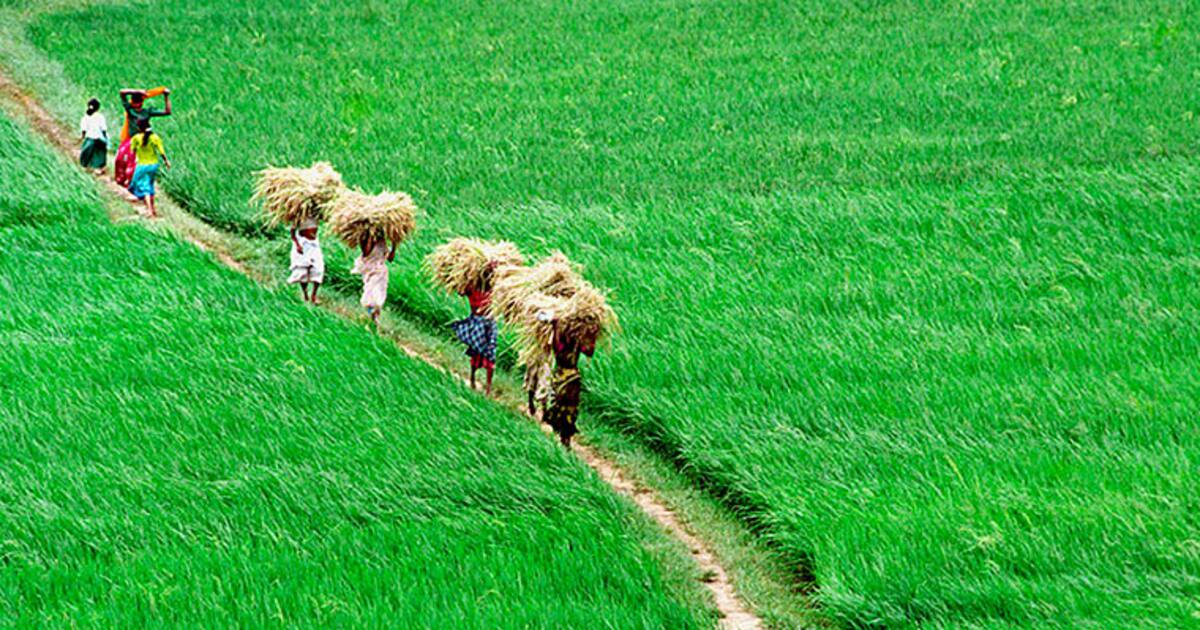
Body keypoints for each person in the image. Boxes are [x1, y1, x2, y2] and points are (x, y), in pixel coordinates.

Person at [541, 315, 598, 447]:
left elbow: (589, 352)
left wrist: (591, 336)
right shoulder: (567, 342)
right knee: (564, 408)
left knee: (567, 408)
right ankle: (564, 435)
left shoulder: (573, 342)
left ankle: (565, 437)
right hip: (567, 377)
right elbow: (588, 352)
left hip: (567, 378)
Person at [450, 262, 499, 396]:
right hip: (477, 323)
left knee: (490, 355)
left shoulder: (493, 290)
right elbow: (460, 291)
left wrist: (494, 267)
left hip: (490, 324)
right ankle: (472, 378)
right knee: (476, 352)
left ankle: (488, 387)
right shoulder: (472, 288)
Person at [116, 88, 170, 187]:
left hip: (143, 140)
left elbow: (167, 112)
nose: (137, 105)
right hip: (131, 139)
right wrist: (138, 91)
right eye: (135, 103)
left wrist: (166, 97)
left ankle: (134, 182)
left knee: (137, 162)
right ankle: (123, 179)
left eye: (139, 102)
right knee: (121, 159)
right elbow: (122, 92)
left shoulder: (147, 112)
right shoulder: (130, 109)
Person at [127, 119, 170, 217]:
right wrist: (166, 161)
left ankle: (149, 210)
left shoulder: (136, 138)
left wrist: (130, 163)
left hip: (142, 165)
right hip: (154, 165)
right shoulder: (155, 137)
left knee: (140, 185)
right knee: (150, 184)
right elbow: (161, 151)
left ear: (139, 128)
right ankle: (153, 208)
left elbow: (132, 152)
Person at [351, 234, 396, 326]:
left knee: (379, 295)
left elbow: (390, 259)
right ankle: (371, 316)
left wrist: (394, 245)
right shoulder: (364, 238)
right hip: (370, 270)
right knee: (371, 294)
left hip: (381, 272)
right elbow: (366, 252)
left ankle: (374, 318)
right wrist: (371, 237)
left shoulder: (383, 242)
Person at [289, 218, 324, 304]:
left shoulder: (316, 215)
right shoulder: (300, 216)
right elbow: (292, 232)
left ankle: (314, 296)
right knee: (302, 270)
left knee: (318, 269)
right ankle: (305, 295)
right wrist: (297, 245)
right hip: (302, 245)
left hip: (314, 245)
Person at [78, 98, 107, 175]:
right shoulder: (100, 117)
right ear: (98, 108)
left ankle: (86, 166)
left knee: (87, 152)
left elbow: (84, 129)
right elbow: (103, 129)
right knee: (99, 153)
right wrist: (105, 138)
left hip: (90, 137)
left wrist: (82, 137)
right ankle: (98, 167)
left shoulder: (85, 117)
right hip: (99, 138)